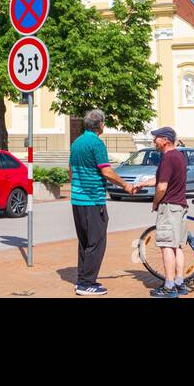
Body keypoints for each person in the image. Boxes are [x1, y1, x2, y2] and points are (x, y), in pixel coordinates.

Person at [68, 108, 137, 295]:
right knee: (97, 242)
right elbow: (106, 171)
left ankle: (82, 279)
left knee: (84, 242)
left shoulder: (76, 143)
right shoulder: (96, 144)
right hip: (92, 200)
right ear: (100, 125)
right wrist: (126, 185)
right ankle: (86, 283)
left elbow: (70, 171)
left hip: (77, 199)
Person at [148, 126, 188, 298]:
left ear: (165, 140)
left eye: (156, 138)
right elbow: (160, 180)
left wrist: (155, 202)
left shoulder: (167, 158)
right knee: (177, 245)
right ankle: (179, 282)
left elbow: (162, 187)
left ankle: (169, 287)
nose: (154, 141)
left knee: (166, 246)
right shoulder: (179, 156)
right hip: (180, 206)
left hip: (169, 207)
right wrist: (141, 184)